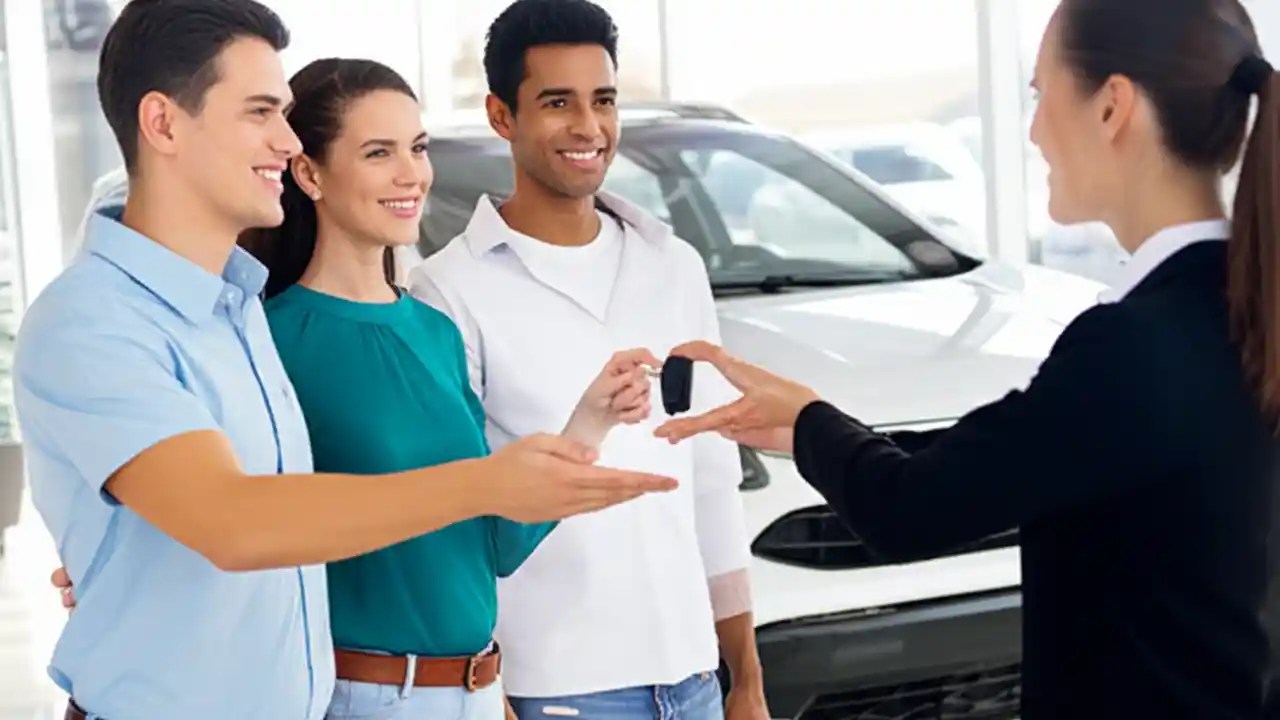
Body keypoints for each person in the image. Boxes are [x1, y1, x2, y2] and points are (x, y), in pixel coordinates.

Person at [14, 2, 674, 719]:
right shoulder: (96, 322)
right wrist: (484, 483)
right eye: (261, 111)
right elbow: (234, 521)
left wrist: (120, 566)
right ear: (164, 123)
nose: (286, 140)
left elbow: (253, 527)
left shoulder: (235, 317)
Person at [653, 0, 1280, 718]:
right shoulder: (1238, 312)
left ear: (1112, 108)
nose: (1035, 131)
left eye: (1041, 94)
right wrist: (814, 427)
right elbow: (1019, 459)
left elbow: (913, 509)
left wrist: (811, 426)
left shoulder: (1134, 344)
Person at [408, 1, 768, 718]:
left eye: (602, 101)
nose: (588, 127)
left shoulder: (674, 267)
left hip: (693, 678)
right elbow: (456, 515)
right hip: (556, 689)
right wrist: (493, 696)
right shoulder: (446, 289)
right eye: (556, 102)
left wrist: (746, 679)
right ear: (502, 116)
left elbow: (709, 481)